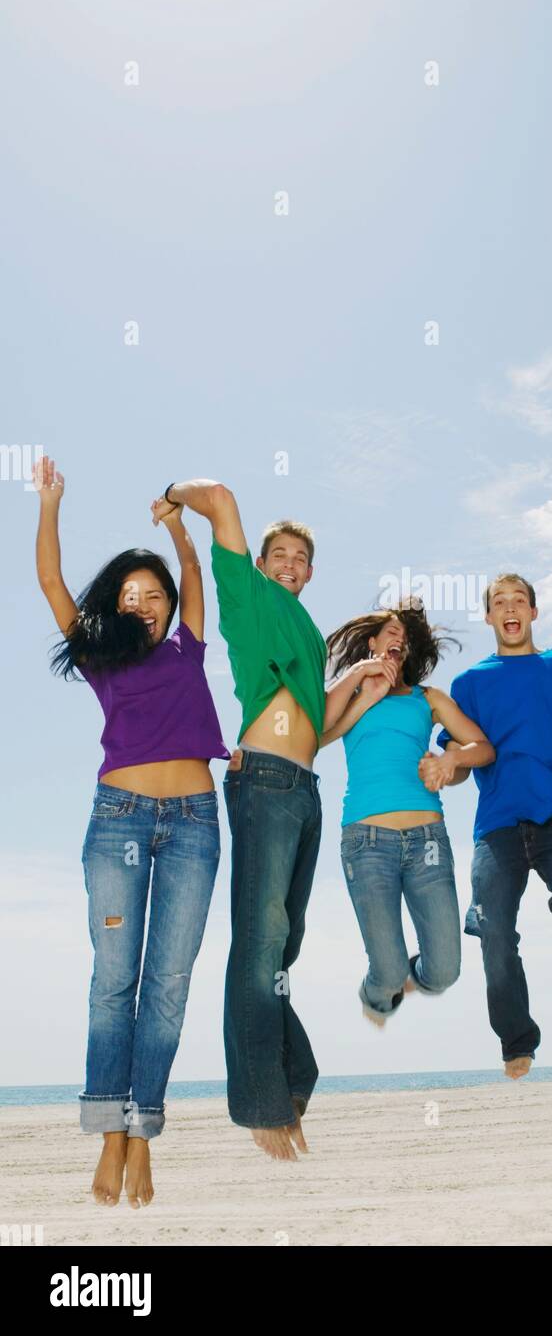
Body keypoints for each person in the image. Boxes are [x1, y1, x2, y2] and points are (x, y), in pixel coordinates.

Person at [33, 455, 229, 1209]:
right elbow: (52, 584)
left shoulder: (188, 646)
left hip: (193, 827)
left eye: (155, 596)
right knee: (114, 983)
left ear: (170, 604)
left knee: (169, 987)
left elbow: (193, 568)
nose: (144, 603)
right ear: (116, 608)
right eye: (131, 595)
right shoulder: (101, 659)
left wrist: (179, 527)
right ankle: (109, 1132)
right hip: (117, 820)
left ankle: (142, 1133)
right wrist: (50, 504)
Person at [150, 479, 326, 1162]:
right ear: (258, 563)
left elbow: (321, 725)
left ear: (310, 572)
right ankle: (259, 1103)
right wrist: (172, 500)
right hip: (264, 783)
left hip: (304, 786)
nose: (287, 564)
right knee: (260, 942)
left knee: (282, 949)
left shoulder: (308, 633)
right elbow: (220, 496)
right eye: (277, 553)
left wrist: (363, 681)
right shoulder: (248, 597)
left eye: (299, 558)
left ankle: (292, 1079)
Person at [433, 573, 552, 1078]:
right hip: (496, 828)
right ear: (489, 616)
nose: (510, 609)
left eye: (519, 601)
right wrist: (447, 768)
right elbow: (459, 755)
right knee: (493, 931)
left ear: (534, 612)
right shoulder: (468, 684)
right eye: (499, 602)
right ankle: (517, 1040)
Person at [322, 600, 494, 1025]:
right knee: (387, 971)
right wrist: (365, 688)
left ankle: (407, 981)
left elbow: (484, 748)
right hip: (366, 841)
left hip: (426, 841)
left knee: (445, 971)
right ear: (372, 642)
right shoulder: (352, 694)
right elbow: (317, 736)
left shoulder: (428, 698)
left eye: (406, 636)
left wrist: (450, 762)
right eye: (390, 632)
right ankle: (378, 996)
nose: (399, 639)